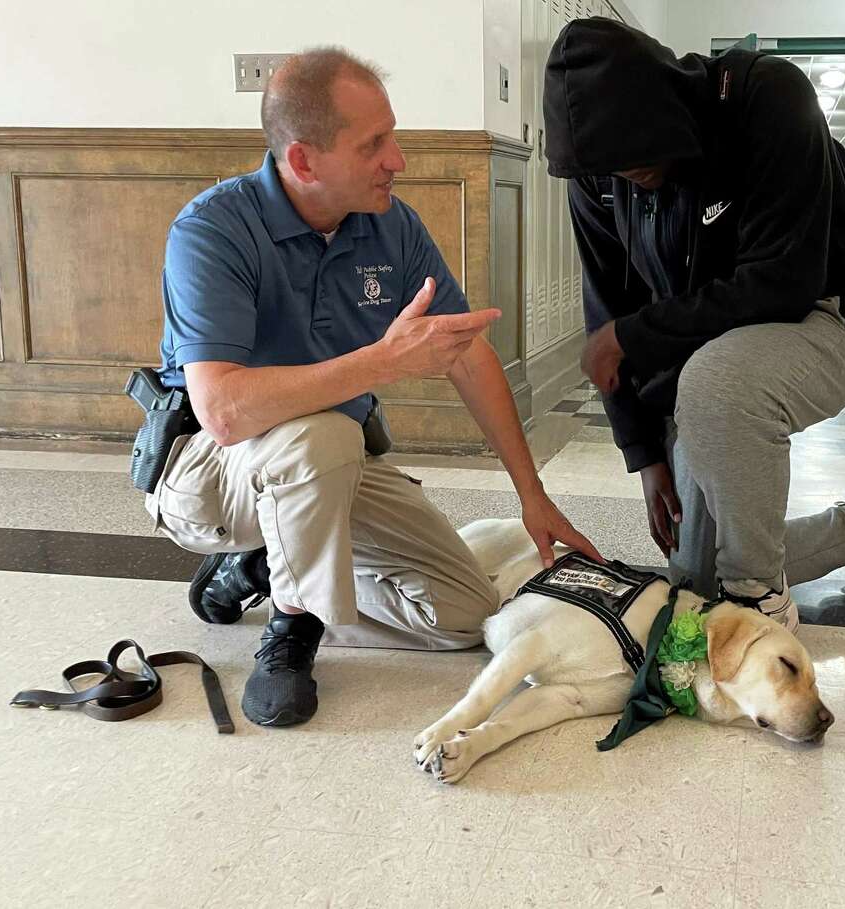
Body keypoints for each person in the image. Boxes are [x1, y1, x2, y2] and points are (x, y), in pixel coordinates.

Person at [149, 47, 600, 728]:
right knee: (326, 428)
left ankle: (270, 565)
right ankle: (290, 633)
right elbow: (223, 410)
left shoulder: (391, 225)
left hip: (328, 468)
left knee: (461, 615)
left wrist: (531, 495)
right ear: (303, 161)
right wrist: (382, 363)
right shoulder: (213, 230)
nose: (399, 159)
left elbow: (467, 356)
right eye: (374, 144)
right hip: (210, 476)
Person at [542, 19, 845, 630]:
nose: (625, 175)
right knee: (697, 577)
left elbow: (783, 279)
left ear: (661, 108)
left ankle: (758, 606)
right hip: (705, 349)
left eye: (633, 156)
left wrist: (634, 337)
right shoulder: (600, 178)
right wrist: (645, 453)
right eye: (608, 168)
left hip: (826, 314)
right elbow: (611, 314)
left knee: (718, 388)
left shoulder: (768, 98)